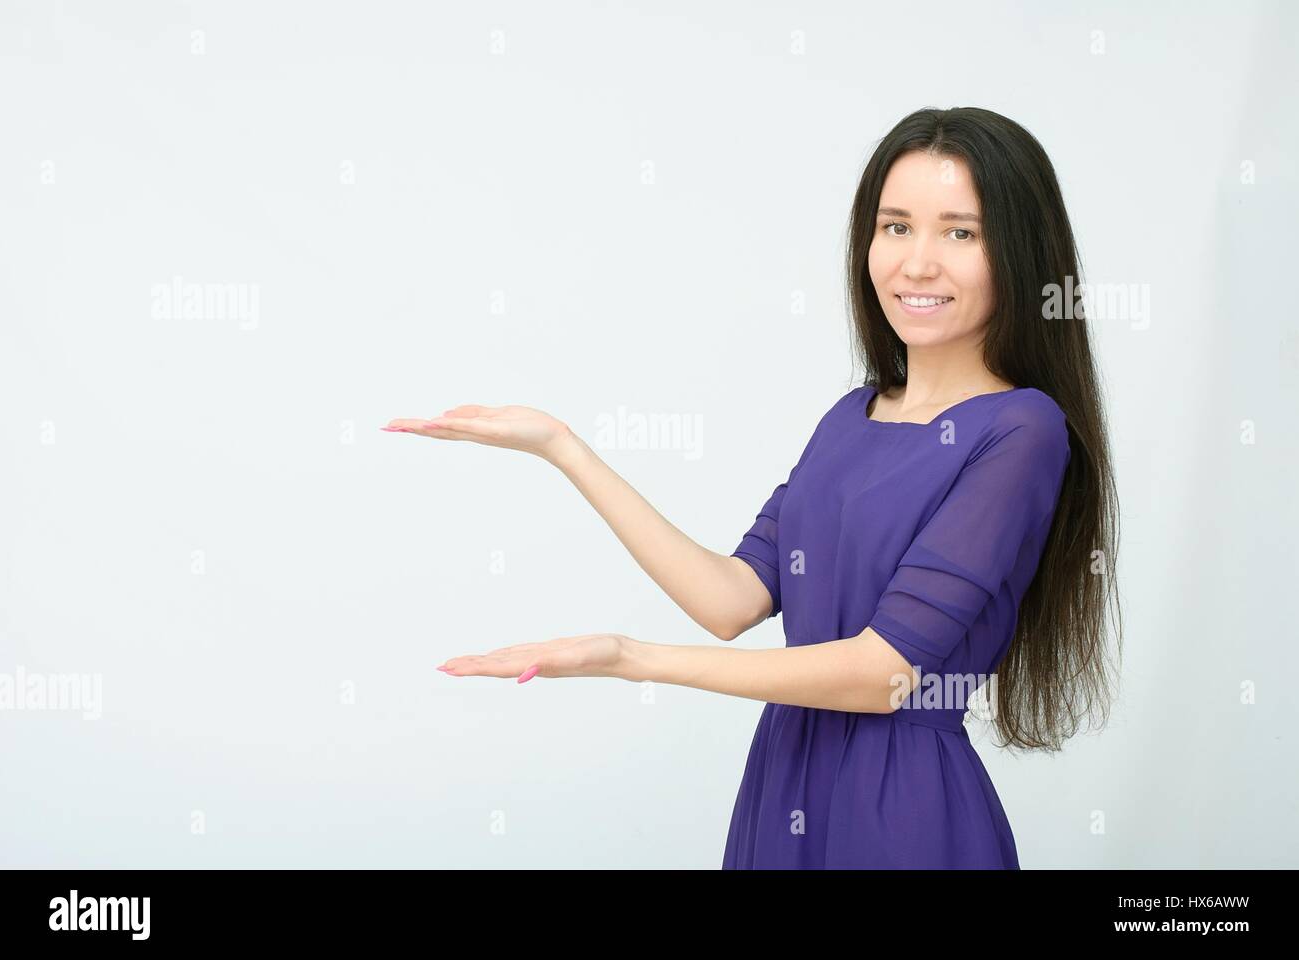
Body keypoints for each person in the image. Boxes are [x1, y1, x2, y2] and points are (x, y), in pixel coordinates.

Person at [382, 106, 1121, 869]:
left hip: (900, 811)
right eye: (895, 226)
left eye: (959, 232)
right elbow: (731, 599)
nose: (917, 262)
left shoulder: (1022, 430)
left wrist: (634, 658)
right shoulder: (852, 414)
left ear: (1019, 253)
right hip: (783, 789)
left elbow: (884, 675)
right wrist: (563, 448)